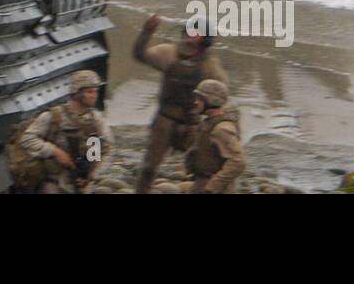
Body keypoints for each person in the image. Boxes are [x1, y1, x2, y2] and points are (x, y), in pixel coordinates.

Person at [132, 15, 227, 193]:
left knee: (203, 169)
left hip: (193, 124)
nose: (191, 33)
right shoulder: (169, 53)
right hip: (164, 121)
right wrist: (147, 32)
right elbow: (140, 55)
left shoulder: (210, 65)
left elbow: (221, 94)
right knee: (148, 168)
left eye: (197, 30)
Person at [16, 70, 111, 193]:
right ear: (77, 93)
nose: (94, 95)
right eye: (89, 92)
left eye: (95, 91)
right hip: (55, 181)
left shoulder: (97, 121)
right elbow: (27, 139)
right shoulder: (54, 116)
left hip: (83, 183)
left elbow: (107, 150)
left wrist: (92, 175)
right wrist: (55, 151)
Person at [184, 79, 245, 194]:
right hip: (201, 184)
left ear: (210, 101)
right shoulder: (207, 123)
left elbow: (238, 161)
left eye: (199, 99)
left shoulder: (222, 129)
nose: (195, 102)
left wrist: (213, 185)